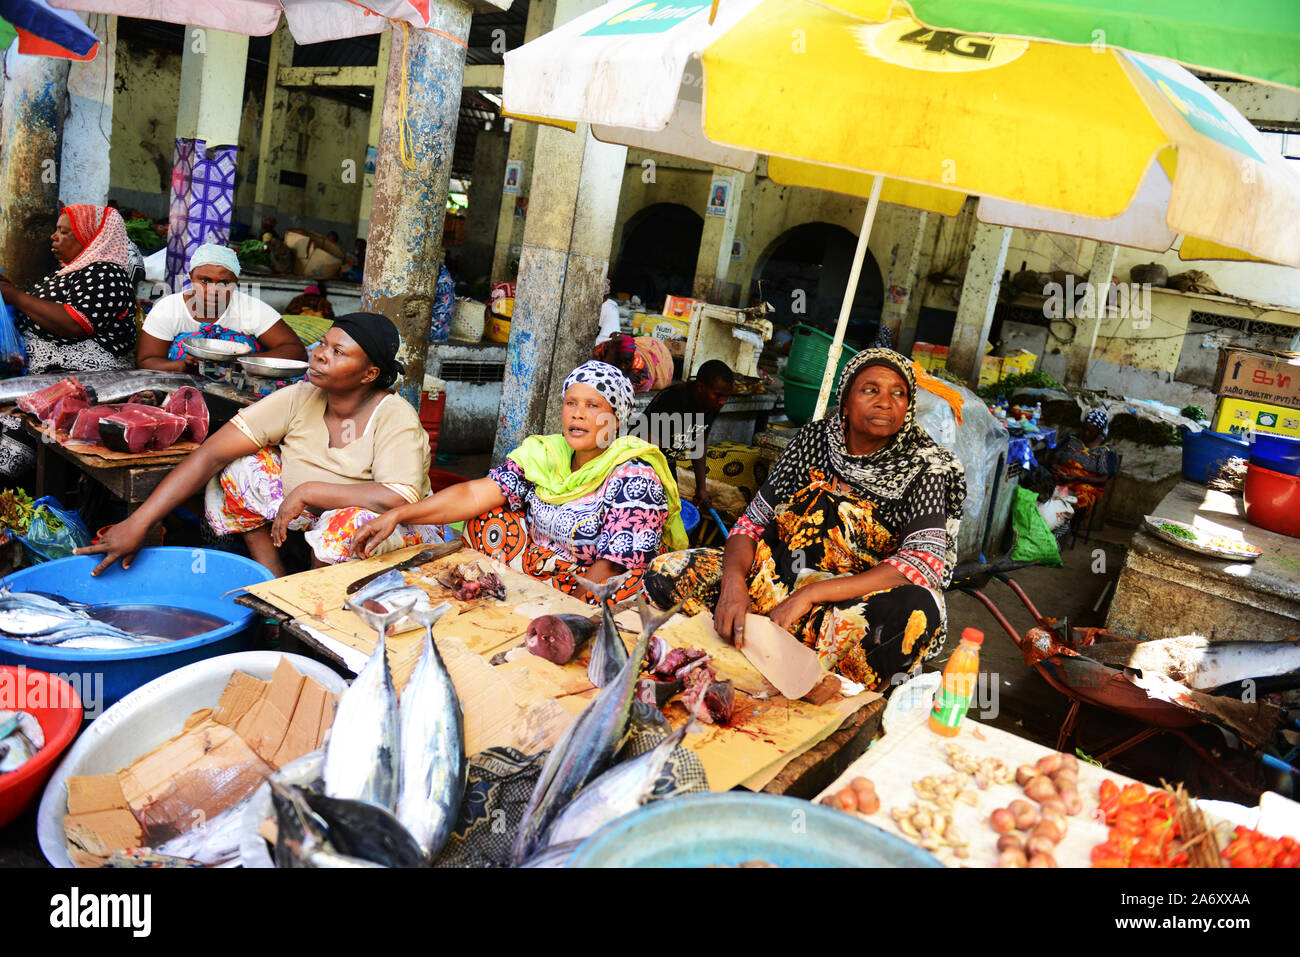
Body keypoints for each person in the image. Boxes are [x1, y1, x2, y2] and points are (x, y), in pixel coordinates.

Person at [642, 349, 966, 692]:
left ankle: (824, 679)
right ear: (844, 400)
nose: (885, 401)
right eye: (870, 390)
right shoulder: (812, 442)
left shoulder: (927, 466)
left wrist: (810, 596)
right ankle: (760, 643)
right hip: (771, 582)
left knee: (917, 611)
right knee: (667, 570)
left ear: (909, 405)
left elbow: (921, 563)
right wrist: (734, 585)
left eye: (898, 393)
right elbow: (751, 524)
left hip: (842, 605)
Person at [78, 313, 445, 578]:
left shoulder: (393, 415)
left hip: (394, 528)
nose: (319, 353)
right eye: (322, 344)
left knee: (346, 522)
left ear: (369, 374)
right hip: (309, 514)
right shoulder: (301, 396)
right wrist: (138, 522)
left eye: (338, 352)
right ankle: (273, 580)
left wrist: (309, 490)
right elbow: (210, 455)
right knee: (242, 466)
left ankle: (308, 608)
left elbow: (399, 498)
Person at [352, 360, 688, 604]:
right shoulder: (545, 453)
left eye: (592, 405)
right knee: (487, 517)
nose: (578, 414)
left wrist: (566, 614)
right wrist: (398, 515)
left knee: (627, 588)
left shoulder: (635, 474)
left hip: (597, 584)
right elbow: (475, 492)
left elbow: (615, 564)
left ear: (616, 418)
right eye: (571, 403)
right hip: (541, 571)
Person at [0, 204, 137, 374]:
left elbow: (76, 323)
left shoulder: (107, 273)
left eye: (63, 232)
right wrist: (8, 290)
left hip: (83, 374)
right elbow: (39, 308)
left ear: (91, 238)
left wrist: (16, 296)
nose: (54, 237)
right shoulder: (67, 272)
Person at [136, 244, 308, 372]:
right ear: (191, 278)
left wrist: (239, 362)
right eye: (205, 280)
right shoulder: (169, 308)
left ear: (236, 284)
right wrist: (182, 365)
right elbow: (146, 360)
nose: (213, 290)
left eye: (225, 283)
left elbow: (296, 351)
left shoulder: (250, 308)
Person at [642, 359, 734, 510]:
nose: (723, 401)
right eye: (719, 395)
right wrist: (666, 486)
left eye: (726, 397)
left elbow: (699, 443)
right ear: (700, 387)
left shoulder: (712, 404)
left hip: (668, 463)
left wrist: (701, 488)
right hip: (644, 463)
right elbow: (650, 449)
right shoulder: (672, 400)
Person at [1049, 408, 1116, 512]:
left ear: (1099, 431)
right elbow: (1054, 459)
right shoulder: (1071, 439)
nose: (1086, 433)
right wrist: (1055, 467)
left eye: (1091, 431)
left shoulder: (1104, 451)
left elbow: (1103, 479)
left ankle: (1067, 524)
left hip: (1085, 485)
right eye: (1084, 429)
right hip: (1060, 478)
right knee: (1045, 487)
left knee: (1078, 500)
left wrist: (1078, 477)